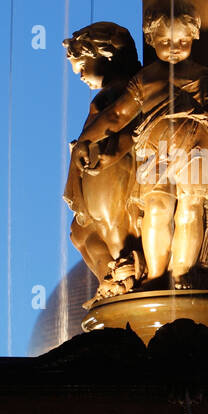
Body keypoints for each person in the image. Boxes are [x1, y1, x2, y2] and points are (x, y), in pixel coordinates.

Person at [77, 0, 208, 287]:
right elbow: (117, 115)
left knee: (190, 206)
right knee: (157, 206)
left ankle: (182, 271)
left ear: (194, 38)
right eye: (165, 41)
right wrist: (88, 139)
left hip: (196, 146)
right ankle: (157, 276)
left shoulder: (203, 76)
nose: (174, 48)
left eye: (182, 41)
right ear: (150, 39)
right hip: (154, 149)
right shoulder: (145, 80)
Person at [63, 22, 141, 303]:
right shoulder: (112, 92)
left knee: (110, 221)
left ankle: (126, 272)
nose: (80, 74)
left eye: (82, 65)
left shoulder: (127, 90)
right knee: (80, 233)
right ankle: (110, 278)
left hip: (112, 164)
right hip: (96, 164)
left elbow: (125, 123)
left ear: (106, 55)